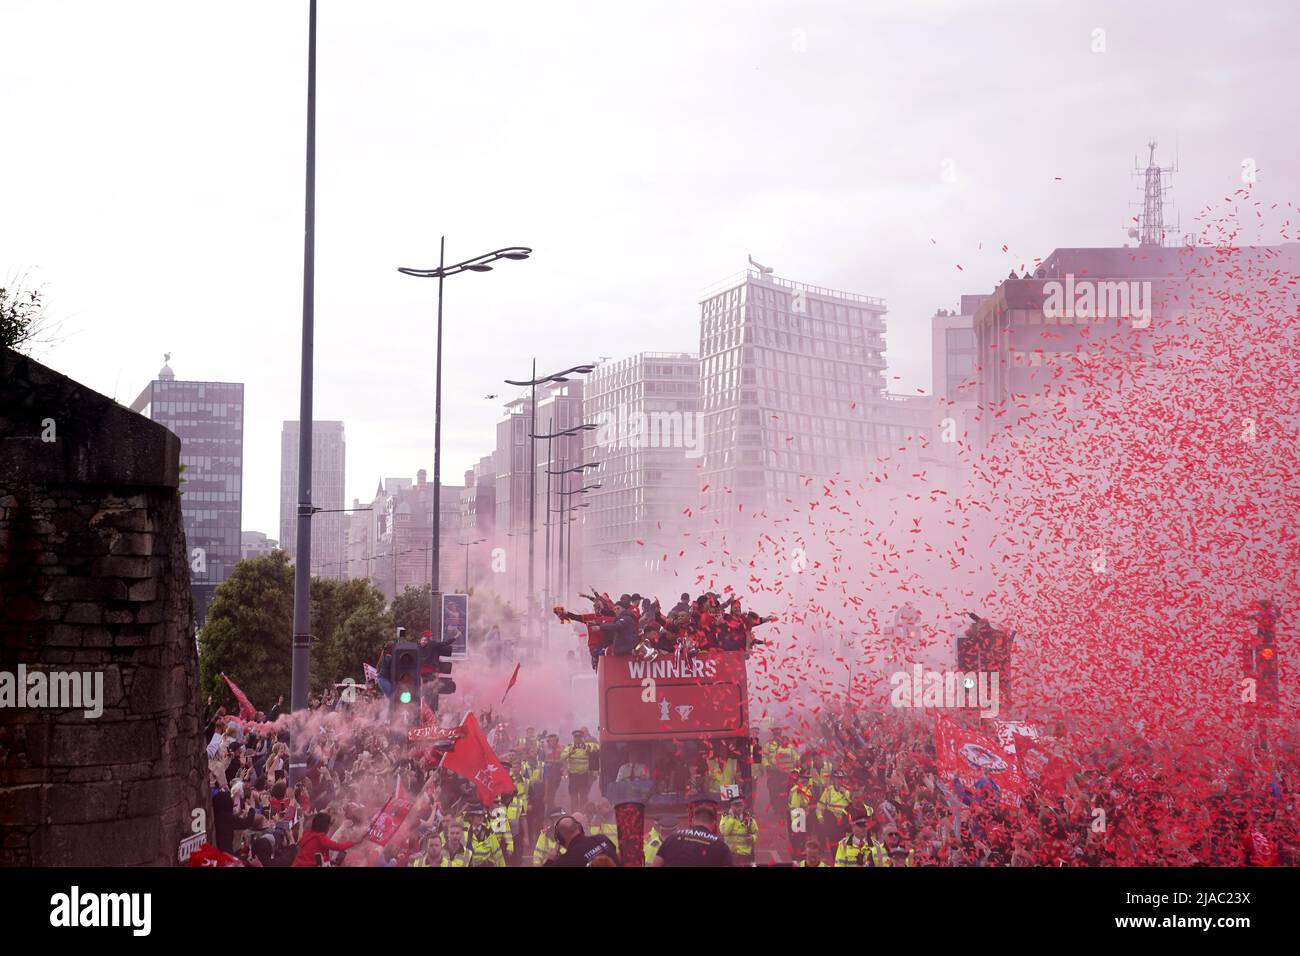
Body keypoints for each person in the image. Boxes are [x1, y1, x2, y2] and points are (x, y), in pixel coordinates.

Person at [653, 803, 733, 867]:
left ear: (693, 820)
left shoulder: (672, 838)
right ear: (714, 823)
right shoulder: (720, 846)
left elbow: (657, 863)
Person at [543, 815, 620, 867]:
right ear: (580, 828)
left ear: (560, 839)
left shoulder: (565, 861)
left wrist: (550, 860)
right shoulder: (602, 839)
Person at [562, 728, 599, 807]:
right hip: (573, 775)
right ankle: (574, 814)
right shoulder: (569, 747)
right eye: (576, 737)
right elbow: (562, 757)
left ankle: (583, 813)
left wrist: (592, 752)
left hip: (584, 775)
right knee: (573, 796)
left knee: (584, 796)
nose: (578, 739)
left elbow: (599, 750)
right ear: (573, 738)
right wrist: (569, 753)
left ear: (583, 737)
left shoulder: (589, 746)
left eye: (579, 737)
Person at [719, 796, 759, 865]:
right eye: (736, 805)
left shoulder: (749, 818)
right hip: (730, 853)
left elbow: (756, 832)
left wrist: (752, 838)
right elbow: (724, 832)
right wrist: (732, 819)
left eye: (741, 805)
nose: (739, 808)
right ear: (731, 807)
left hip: (744, 854)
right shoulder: (725, 817)